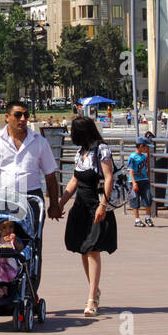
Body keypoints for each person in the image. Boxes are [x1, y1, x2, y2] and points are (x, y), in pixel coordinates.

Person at [0, 100, 63, 292]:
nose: (23, 119)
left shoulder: (39, 141)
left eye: (25, 115)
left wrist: (54, 204)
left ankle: (28, 290)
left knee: (30, 245)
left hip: (31, 200)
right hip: (3, 200)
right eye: (18, 115)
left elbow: (50, 175)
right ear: (7, 117)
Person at [57, 115, 118, 315]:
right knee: (83, 250)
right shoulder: (80, 152)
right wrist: (61, 203)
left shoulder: (102, 150)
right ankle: (94, 288)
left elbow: (109, 178)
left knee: (93, 250)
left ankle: (91, 299)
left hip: (96, 204)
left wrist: (103, 205)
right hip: (80, 206)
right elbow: (74, 180)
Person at [127, 138, 153, 227]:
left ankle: (148, 218)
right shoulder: (132, 157)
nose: (147, 149)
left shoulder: (144, 157)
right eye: (146, 147)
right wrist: (134, 182)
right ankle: (137, 220)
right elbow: (130, 170)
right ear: (141, 146)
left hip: (144, 180)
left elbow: (146, 168)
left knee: (148, 198)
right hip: (135, 181)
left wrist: (148, 178)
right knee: (135, 200)